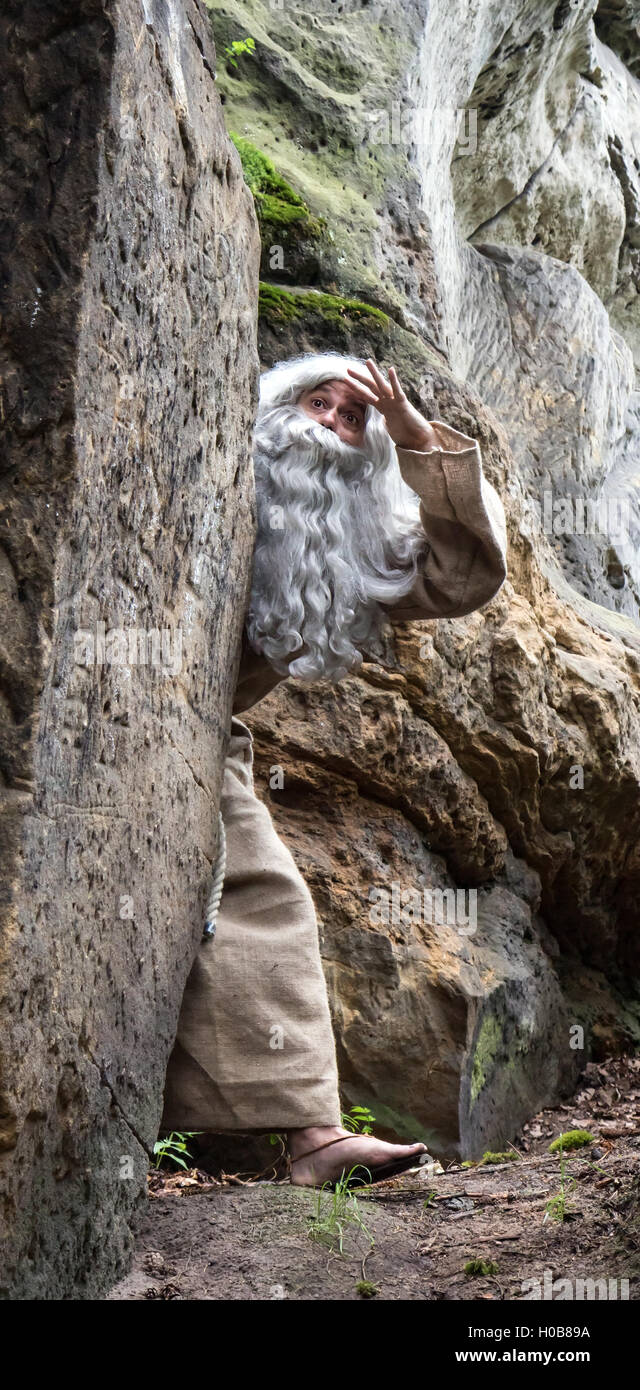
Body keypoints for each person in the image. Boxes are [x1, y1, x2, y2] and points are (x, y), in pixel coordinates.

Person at [161, 352, 508, 1188]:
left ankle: (313, 1141)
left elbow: (463, 578)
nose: (330, 424)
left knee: (264, 900)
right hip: (108, 722)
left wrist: (418, 439)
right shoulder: (210, 463)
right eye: (319, 402)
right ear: (277, 406)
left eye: (354, 419)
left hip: (205, 746)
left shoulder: (351, 539)